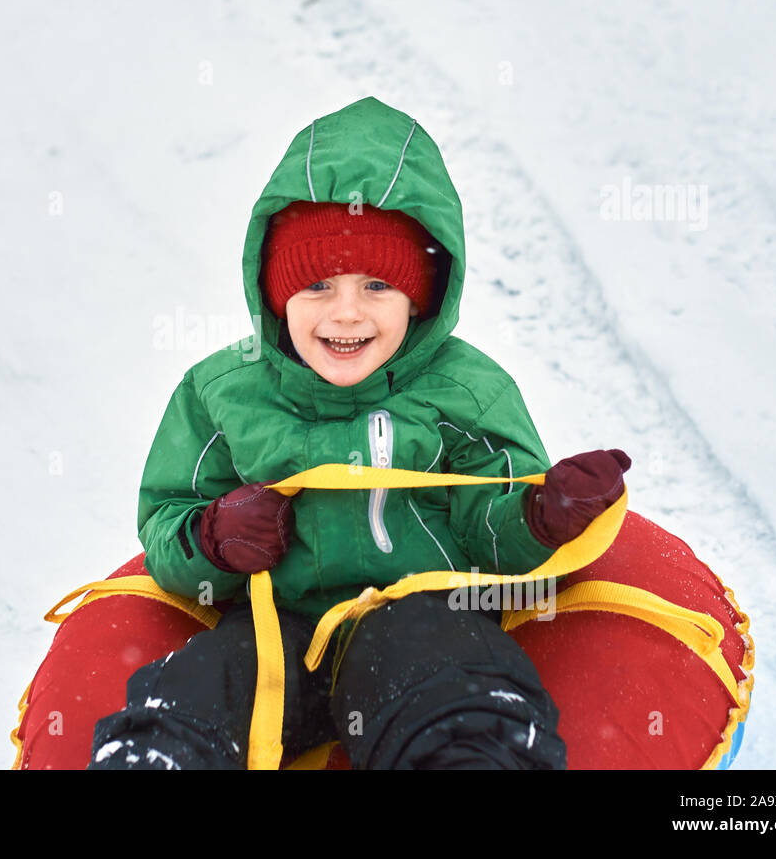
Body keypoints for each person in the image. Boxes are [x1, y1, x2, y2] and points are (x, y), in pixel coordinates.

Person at [89, 97, 630, 770]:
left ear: (421, 296)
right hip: (275, 625)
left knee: (449, 675)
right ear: (276, 295)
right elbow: (166, 527)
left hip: (425, 617)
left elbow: (496, 538)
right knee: (200, 685)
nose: (346, 313)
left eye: (378, 284)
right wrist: (214, 538)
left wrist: (541, 516)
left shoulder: (466, 391)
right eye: (316, 284)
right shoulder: (222, 392)